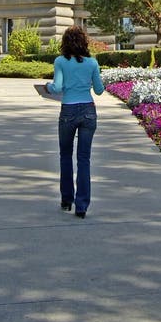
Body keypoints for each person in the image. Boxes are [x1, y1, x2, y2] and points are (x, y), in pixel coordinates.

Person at [47, 26, 104, 218]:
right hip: (88, 110)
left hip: (68, 110)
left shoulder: (61, 61)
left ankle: (66, 200)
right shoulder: (92, 63)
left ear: (65, 43)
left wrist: (47, 87)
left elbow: (57, 87)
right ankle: (82, 206)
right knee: (84, 159)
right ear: (84, 42)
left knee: (65, 155)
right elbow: (99, 90)